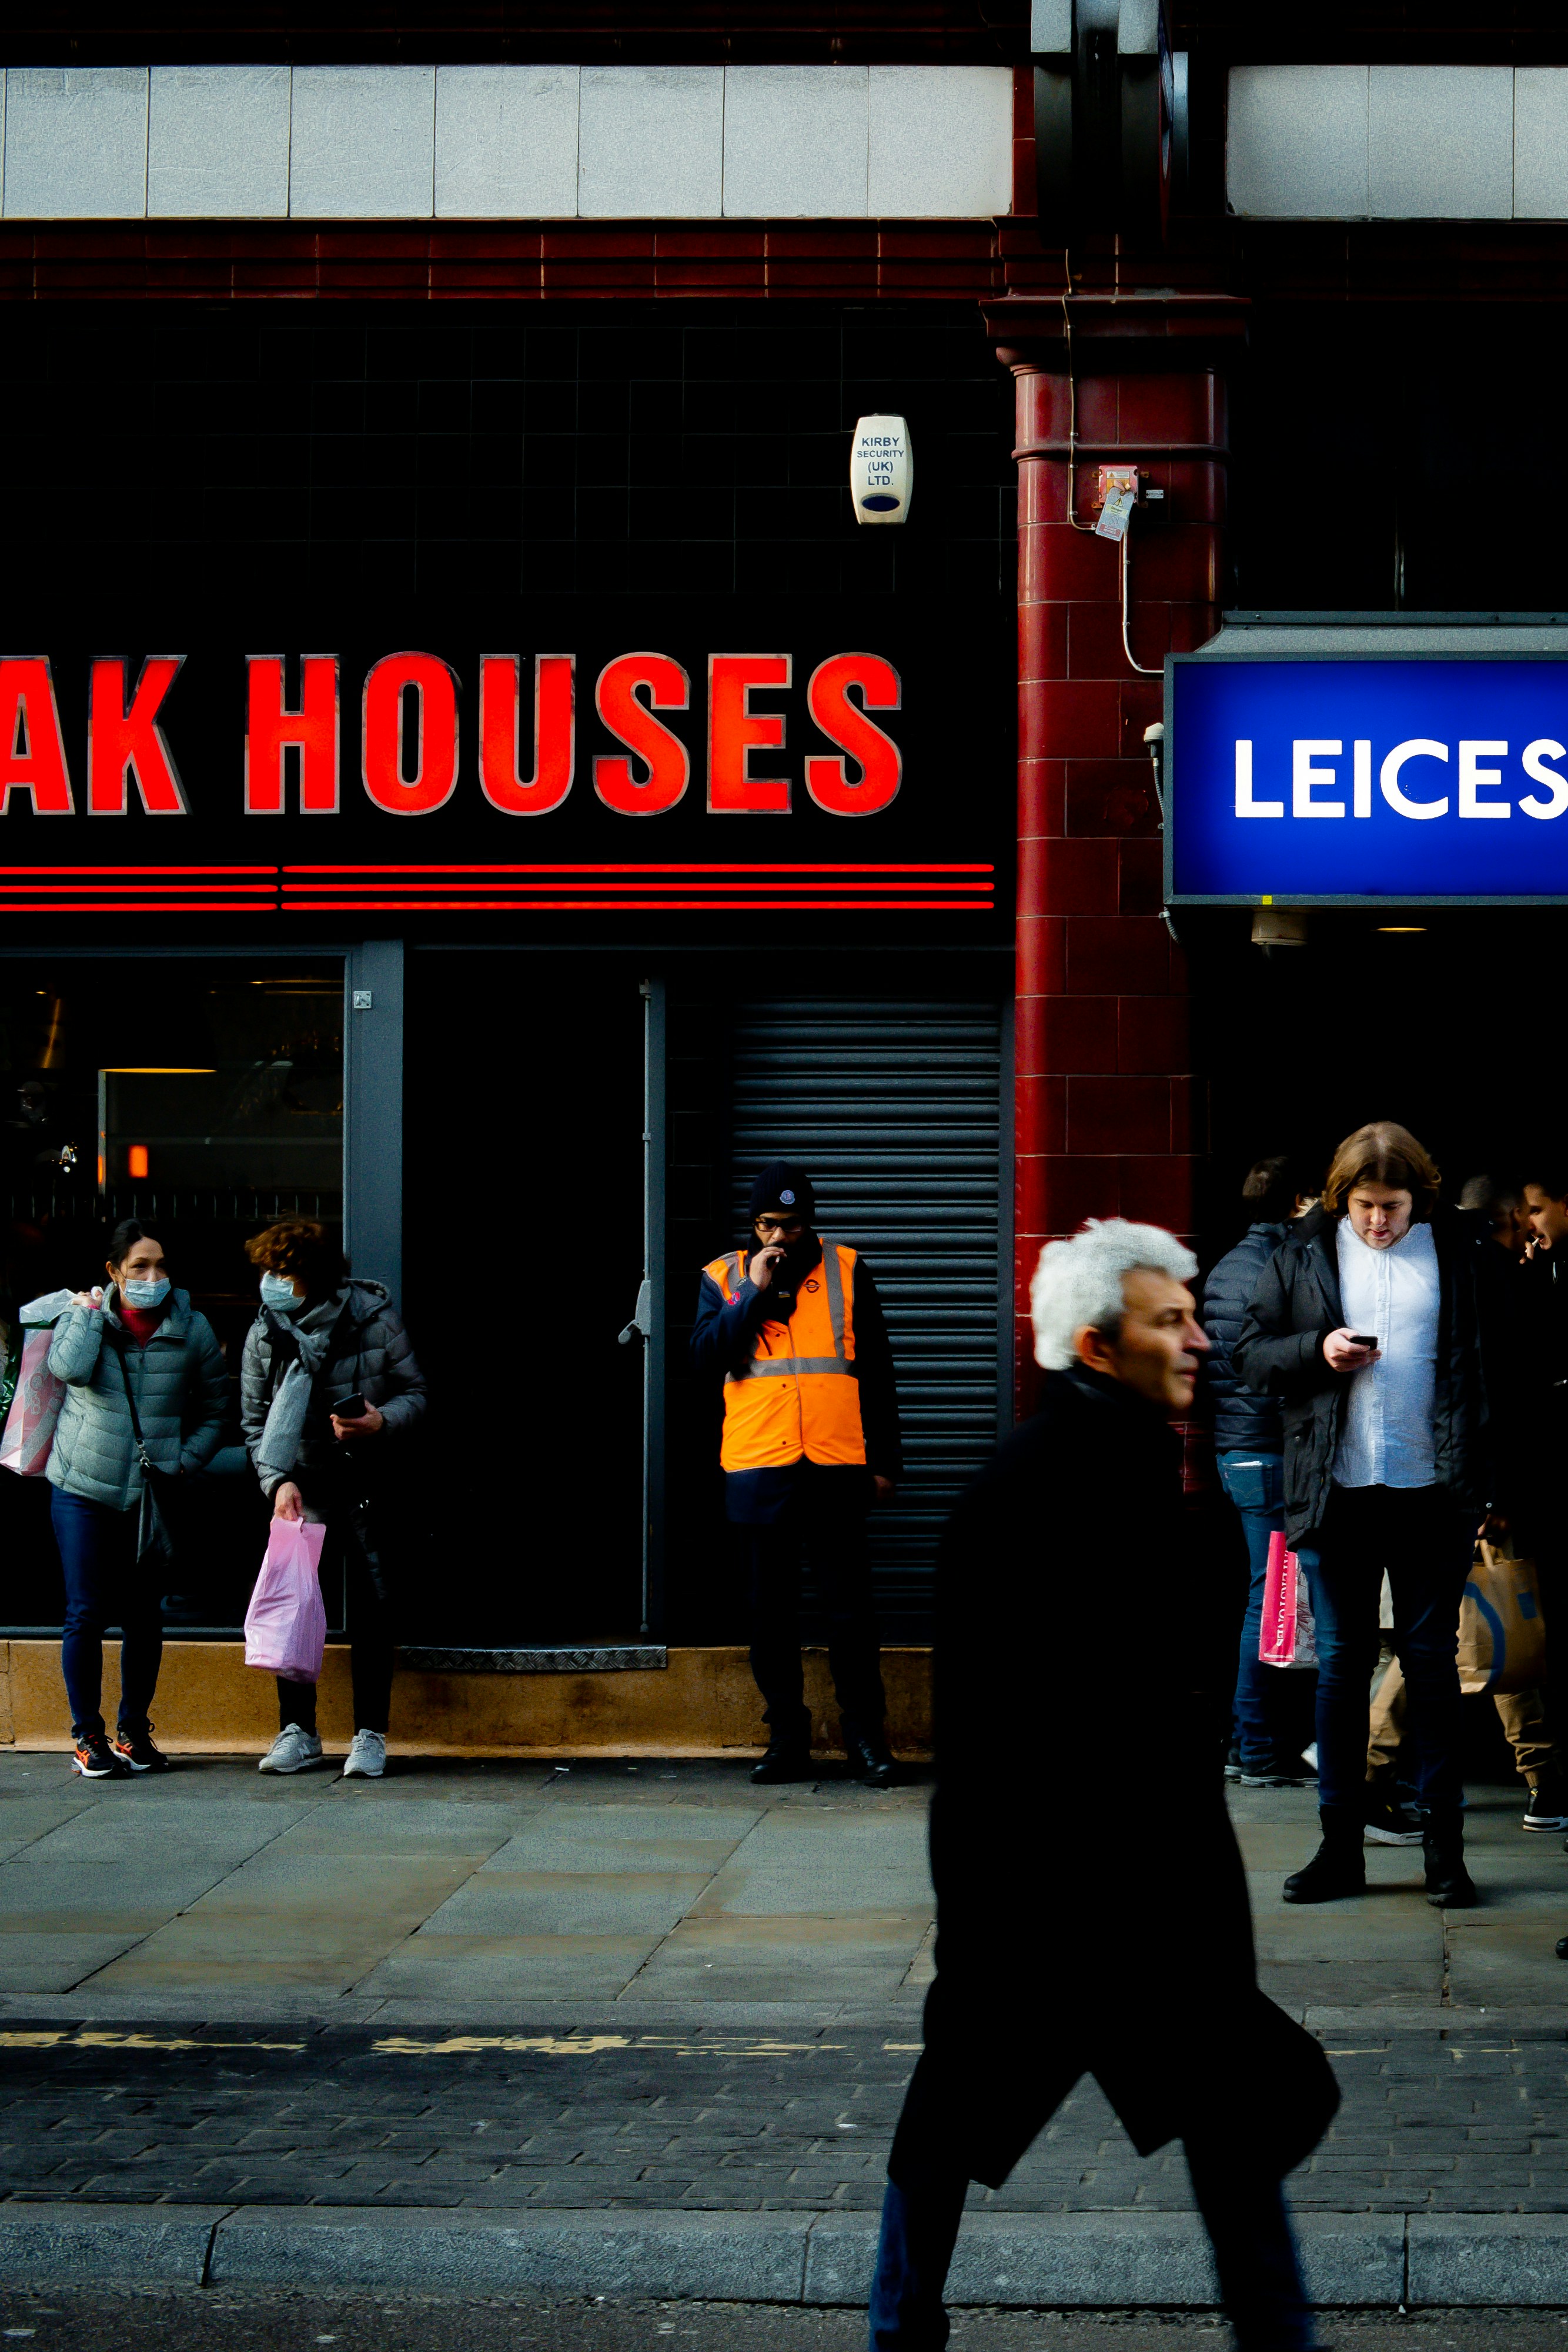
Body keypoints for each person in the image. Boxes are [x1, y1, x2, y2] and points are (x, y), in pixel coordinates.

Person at [870, 1220, 1337, 2352]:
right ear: (1095, 1346)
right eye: (1166, 1321)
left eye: (1189, 1316)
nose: (1195, 1341)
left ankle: (900, 2332)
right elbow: (992, 1738)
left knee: (1205, 2123)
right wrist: (985, 1913)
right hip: (1067, 1908)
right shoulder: (1031, 1492)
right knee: (961, 2129)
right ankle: (896, 2333)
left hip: (1121, 1908)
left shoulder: (1127, 1471)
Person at [1236, 1122, 1487, 1909]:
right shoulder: (1302, 1251)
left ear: (1420, 1197)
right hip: (1336, 1489)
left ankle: (1443, 1855)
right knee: (1341, 1671)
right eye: (1364, 1205)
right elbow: (1248, 1354)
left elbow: (1491, 1370)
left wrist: (1486, 1483)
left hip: (1429, 1491)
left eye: (1391, 1206)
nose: (1377, 1221)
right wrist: (1317, 1349)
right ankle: (1337, 1849)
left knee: (1431, 1668)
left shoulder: (1459, 1253)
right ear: (1341, 1195)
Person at [691, 1160, 902, 1788]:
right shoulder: (724, 1276)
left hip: (836, 1468)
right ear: (752, 1224)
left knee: (851, 1616)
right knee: (769, 1616)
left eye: (788, 1225)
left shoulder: (846, 1269)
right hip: (760, 1468)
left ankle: (866, 1738)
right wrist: (752, 1291)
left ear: (808, 1222)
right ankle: (788, 1738)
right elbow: (705, 1357)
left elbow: (879, 1371)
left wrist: (886, 1462)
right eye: (765, 1225)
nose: (777, 1238)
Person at [239, 1218, 427, 1781]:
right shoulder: (265, 1332)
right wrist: (277, 1482)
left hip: (368, 1484)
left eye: (285, 1272)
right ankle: (297, 1731)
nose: (273, 1282)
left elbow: (416, 1392)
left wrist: (378, 1421)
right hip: (302, 1486)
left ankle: (370, 1734)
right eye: (269, 1271)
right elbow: (253, 1424)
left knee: (372, 1610)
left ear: (315, 1278)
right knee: (295, 1607)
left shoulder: (372, 1319)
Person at [45, 1218, 227, 1778]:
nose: (153, 1276)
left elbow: (216, 1411)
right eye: (140, 1266)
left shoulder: (191, 1329)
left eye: (161, 1265)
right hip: (83, 1486)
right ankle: (87, 1737)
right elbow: (67, 1368)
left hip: (151, 1495)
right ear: (113, 1271)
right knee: (85, 1613)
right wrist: (85, 1313)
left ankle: (132, 1731)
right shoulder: (90, 1318)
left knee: (144, 1616)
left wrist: (180, 1459)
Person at [1201, 1150, 1318, 1789]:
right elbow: (1272, 1369)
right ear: (1299, 1199)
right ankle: (1256, 1748)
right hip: (1271, 1453)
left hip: (1237, 1451)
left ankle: (1250, 1744)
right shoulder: (1279, 1265)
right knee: (1270, 1599)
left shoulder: (1228, 1265)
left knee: (1264, 1595)